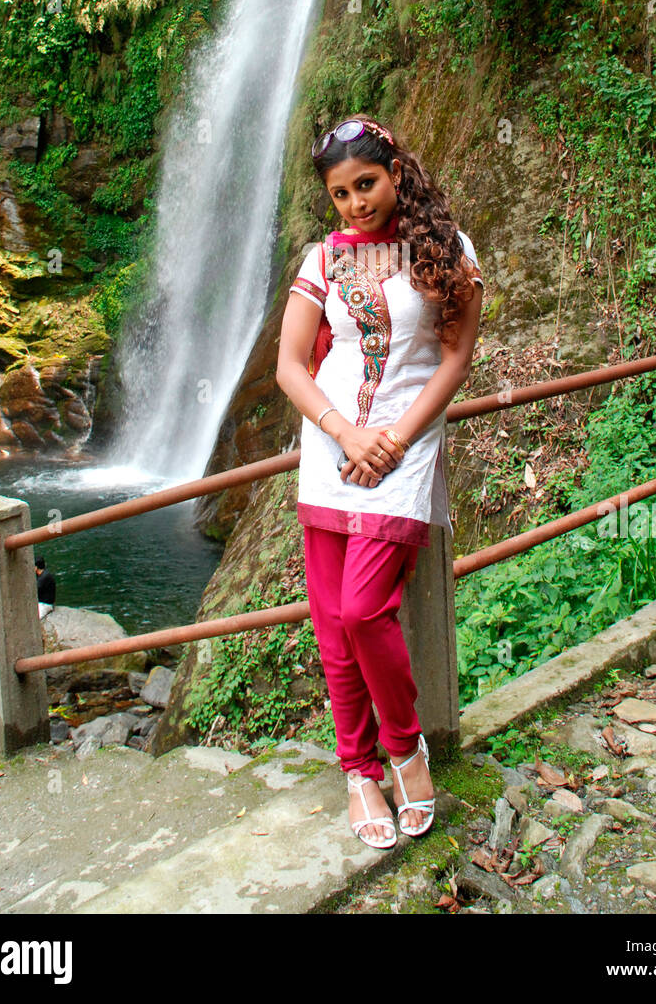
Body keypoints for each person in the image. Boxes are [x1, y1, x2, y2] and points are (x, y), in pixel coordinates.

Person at [276, 114, 483, 848]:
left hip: (405, 449)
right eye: (341, 194)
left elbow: (454, 361)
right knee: (332, 625)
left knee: (364, 611)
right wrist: (345, 433)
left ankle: (404, 749)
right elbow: (290, 366)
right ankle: (358, 772)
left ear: (396, 172)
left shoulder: (447, 250)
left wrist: (392, 438)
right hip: (332, 450)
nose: (357, 203)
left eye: (366, 184)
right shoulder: (322, 260)